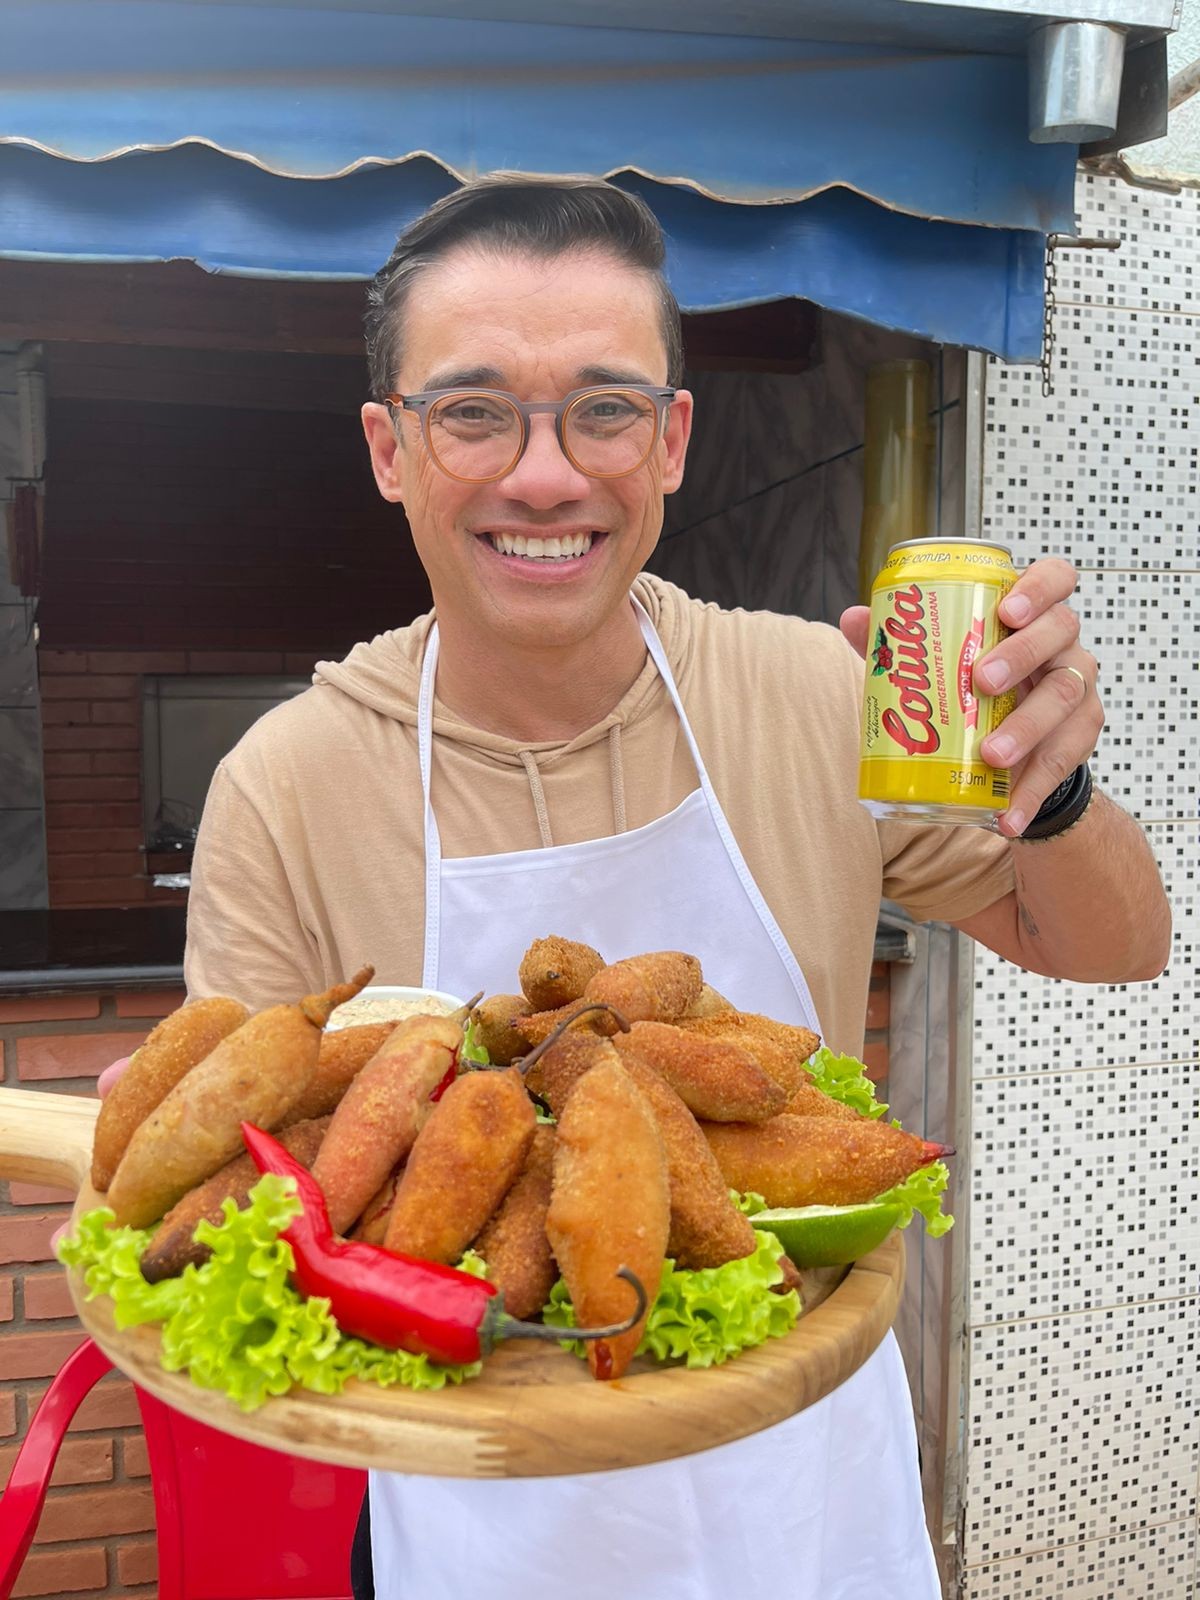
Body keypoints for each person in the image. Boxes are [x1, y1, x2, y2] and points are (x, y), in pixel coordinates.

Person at [109, 175, 1169, 1598]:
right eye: (474, 412)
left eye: (603, 409)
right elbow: (252, 1190)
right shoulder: (288, 781)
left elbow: (1113, 946)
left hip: (812, 1511)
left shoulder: (806, 692)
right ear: (389, 448)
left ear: (670, 440)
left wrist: (1057, 796)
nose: (545, 476)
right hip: (474, 1524)